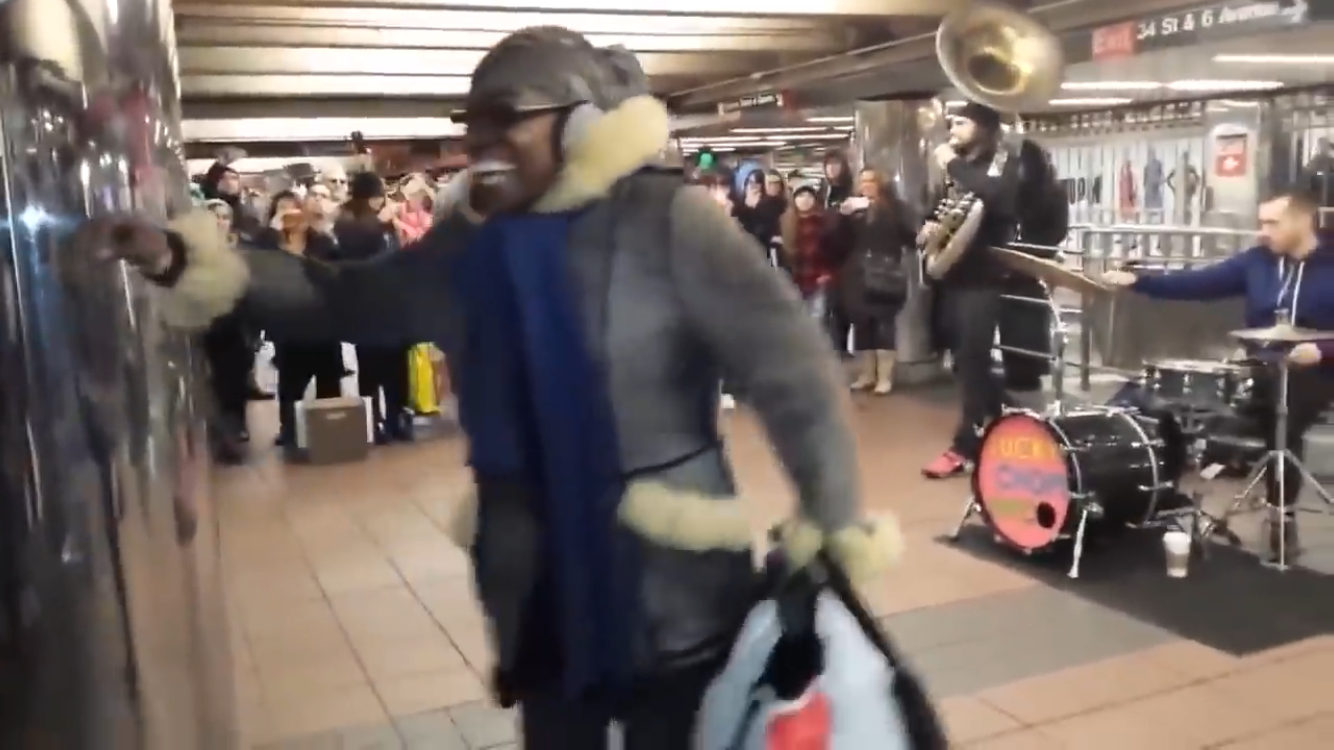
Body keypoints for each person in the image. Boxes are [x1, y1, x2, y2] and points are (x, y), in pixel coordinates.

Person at [79, 27, 898, 750]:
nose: (482, 145)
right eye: (473, 125)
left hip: (673, 581)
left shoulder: (669, 221)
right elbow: (346, 301)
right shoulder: (474, 244)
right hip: (534, 581)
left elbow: (792, 374)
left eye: (507, 120)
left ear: (581, 122)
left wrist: (829, 527)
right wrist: (178, 259)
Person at [1102, 188, 1334, 561]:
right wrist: (1140, 281)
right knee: (1171, 397)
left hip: (1318, 370)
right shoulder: (1258, 261)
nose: (1263, 231)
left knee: (1283, 411)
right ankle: (1157, 493)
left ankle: (1281, 517)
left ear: (1304, 221)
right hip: (1259, 364)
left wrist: (1322, 350)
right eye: (1261, 222)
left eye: (1273, 223)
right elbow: (1200, 283)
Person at [920, 102, 1022, 480]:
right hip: (954, 276)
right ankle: (1010, 419)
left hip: (984, 277)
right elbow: (942, 208)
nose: (954, 130)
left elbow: (997, 198)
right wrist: (928, 226)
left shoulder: (1005, 163)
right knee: (963, 362)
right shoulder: (962, 168)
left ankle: (964, 447)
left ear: (983, 127)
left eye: (961, 123)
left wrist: (951, 163)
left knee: (974, 360)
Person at [829, 168, 916, 395]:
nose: (866, 185)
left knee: (884, 323)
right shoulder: (852, 208)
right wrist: (842, 216)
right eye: (863, 181)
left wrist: (880, 211)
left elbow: (911, 236)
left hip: (885, 272)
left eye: (871, 180)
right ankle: (867, 374)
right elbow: (837, 243)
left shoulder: (895, 207)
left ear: (881, 183)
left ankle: (884, 376)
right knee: (861, 323)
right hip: (857, 273)